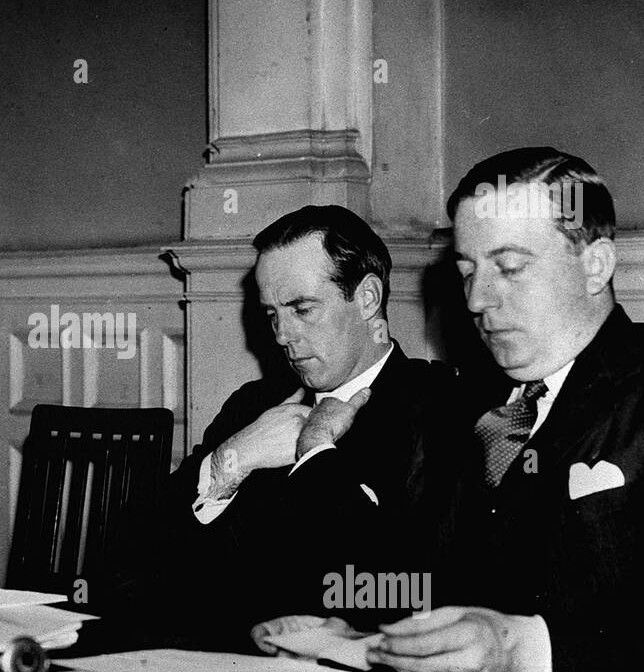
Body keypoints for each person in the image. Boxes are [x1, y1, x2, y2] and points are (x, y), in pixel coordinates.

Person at [301, 148, 644, 672]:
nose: (477, 301)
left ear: (595, 264)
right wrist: (357, 629)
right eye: (467, 273)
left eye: (509, 267)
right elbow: (427, 576)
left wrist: (521, 650)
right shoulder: (462, 406)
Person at [122, 206, 461, 648]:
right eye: (272, 314)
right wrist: (234, 459)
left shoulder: (438, 408)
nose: (282, 335)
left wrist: (316, 449)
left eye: (302, 309)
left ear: (368, 298)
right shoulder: (255, 405)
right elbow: (138, 554)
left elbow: (412, 589)